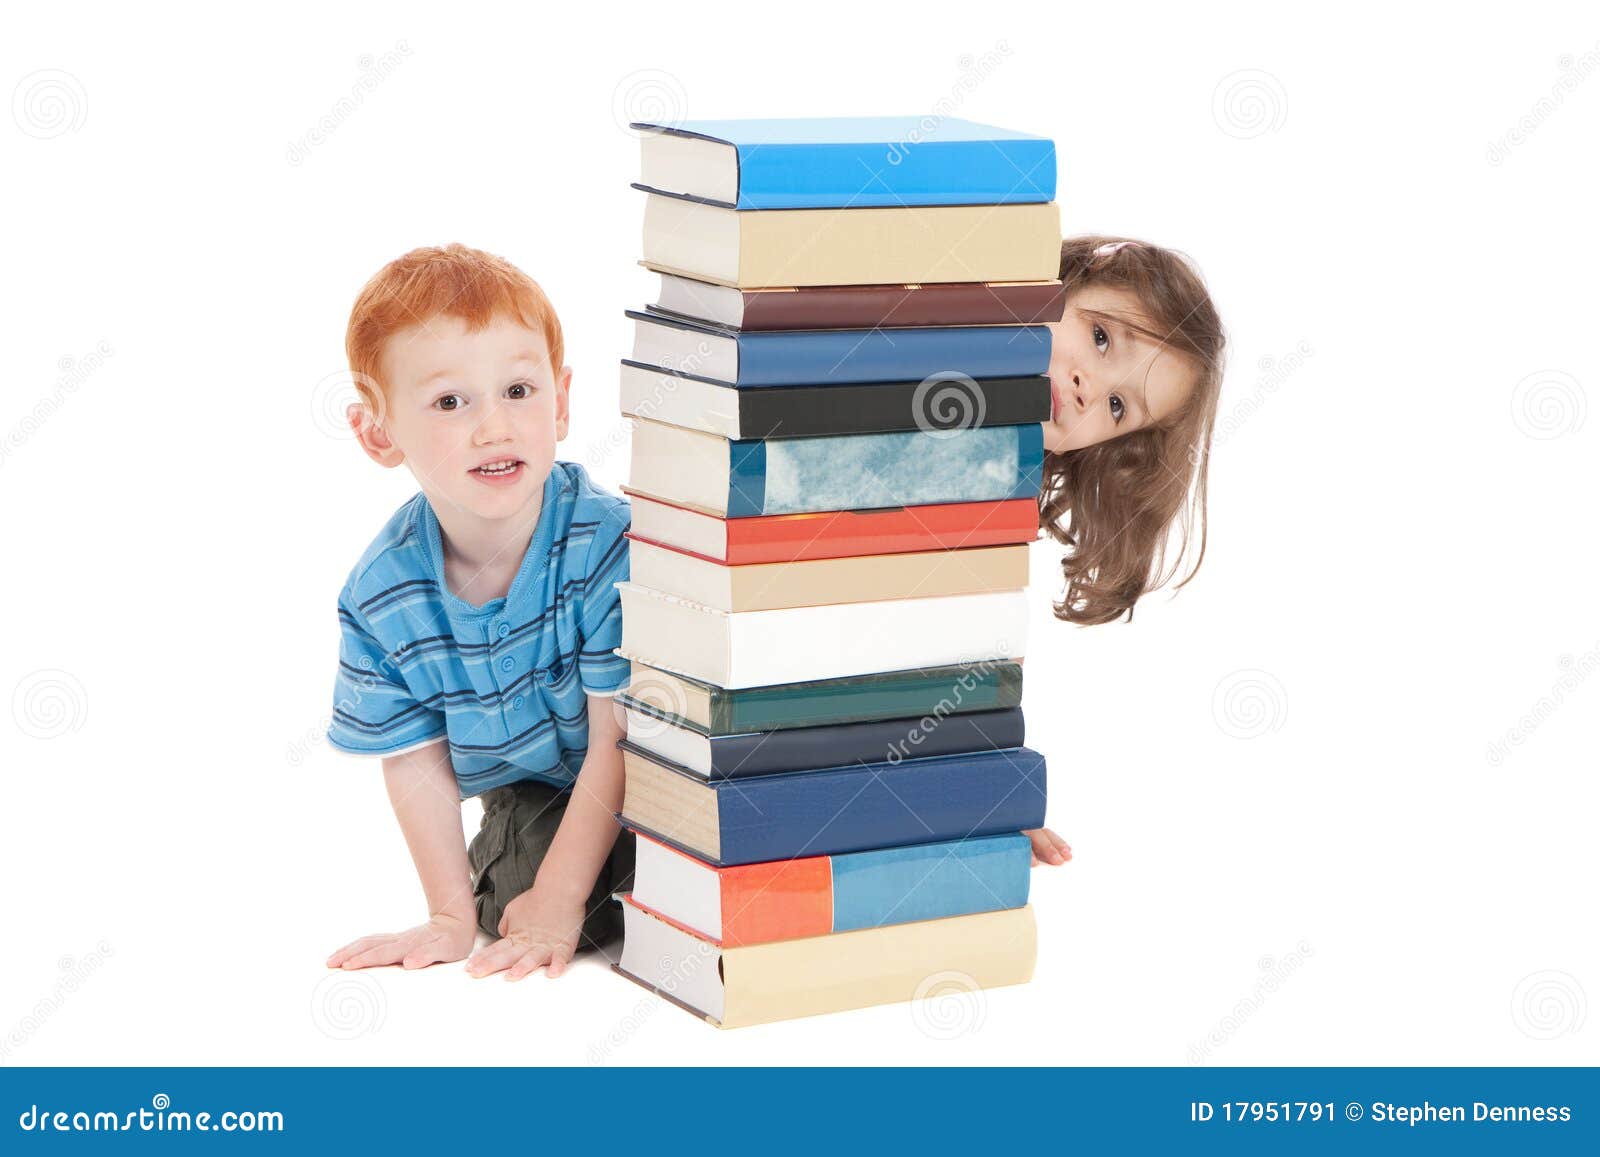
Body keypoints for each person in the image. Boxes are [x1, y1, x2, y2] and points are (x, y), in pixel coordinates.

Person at [323, 244, 633, 981]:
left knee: (698, 851)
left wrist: (561, 896)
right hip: (542, 790)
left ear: (561, 400)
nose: (495, 426)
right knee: (524, 890)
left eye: (518, 390)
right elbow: (415, 760)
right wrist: (449, 916)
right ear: (378, 432)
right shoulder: (381, 595)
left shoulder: (605, 542)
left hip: (654, 761)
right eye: (450, 402)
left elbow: (618, 737)